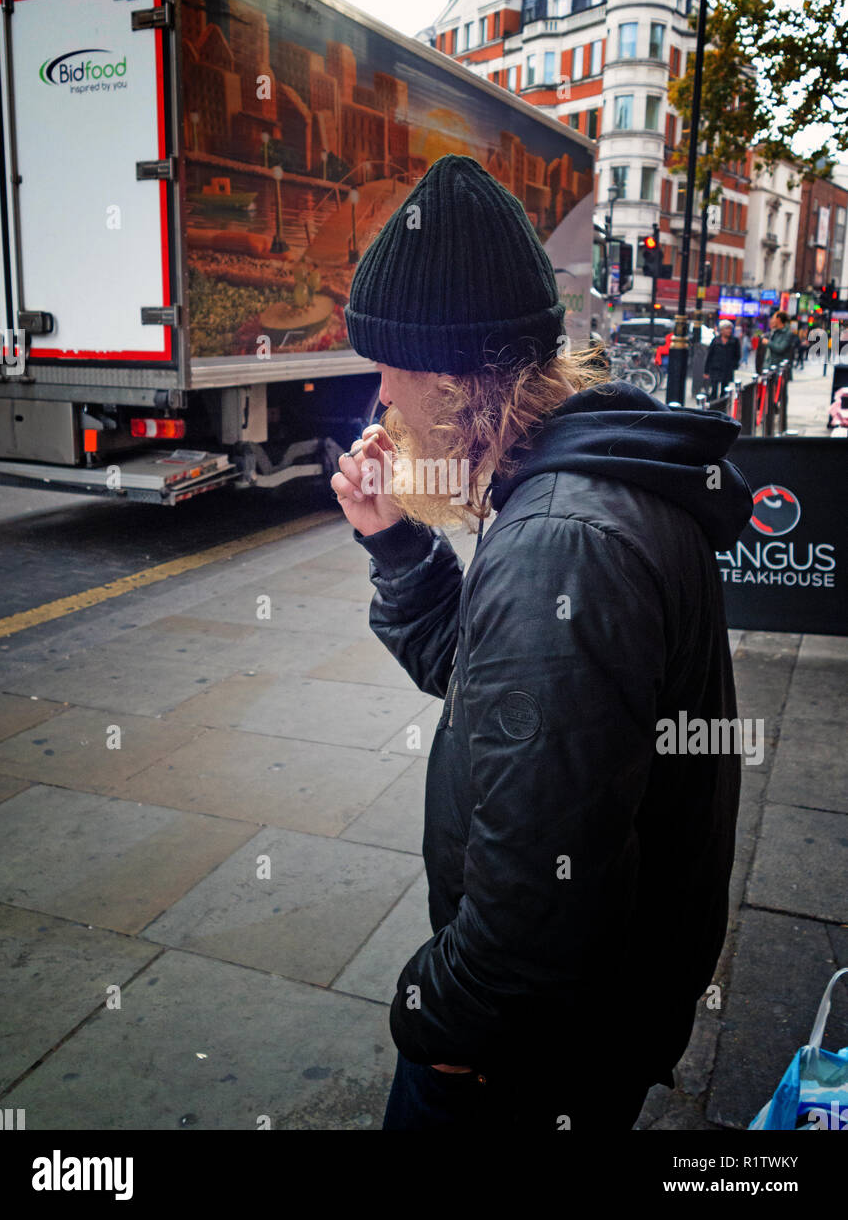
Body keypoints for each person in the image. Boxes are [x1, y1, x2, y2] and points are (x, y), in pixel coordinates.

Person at [331, 154, 753, 1133]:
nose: (378, 396)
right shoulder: (579, 481)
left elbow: (532, 918)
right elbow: (492, 685)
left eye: (386, 369)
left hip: (523, 1057)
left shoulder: (562, 543)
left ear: (444, 380)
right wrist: (395, 543)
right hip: (585, 1024)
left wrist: (427, 1015)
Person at [703, 318, 741, 399]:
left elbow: (737, 355)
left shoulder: (734, 341)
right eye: (727, 328)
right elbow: (709, 356)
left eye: (730, 328)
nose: (729, 330)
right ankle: (713, 407)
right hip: (715, 368)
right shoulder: (715, 340)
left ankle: (722, 407)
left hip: (727, 369)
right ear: (721, 330)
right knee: (713, 390)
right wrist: (706, 371)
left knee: (724, 390)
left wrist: (733, 365)